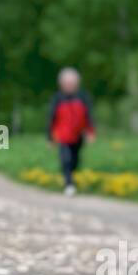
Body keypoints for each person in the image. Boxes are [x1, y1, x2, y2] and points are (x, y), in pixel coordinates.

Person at [47, 67, 96, 196]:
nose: (69, 85)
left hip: (78, 135)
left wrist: (90, 131)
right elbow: (51, 118)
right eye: (67, 83)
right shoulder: (57, 98)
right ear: (62, 84)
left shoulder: (83, 97)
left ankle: (69, 179)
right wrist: (50, 138)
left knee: (75, 160)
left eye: (72, 83)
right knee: (66, 159)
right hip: (63, 136)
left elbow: (89, 116)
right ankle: (69, 184)